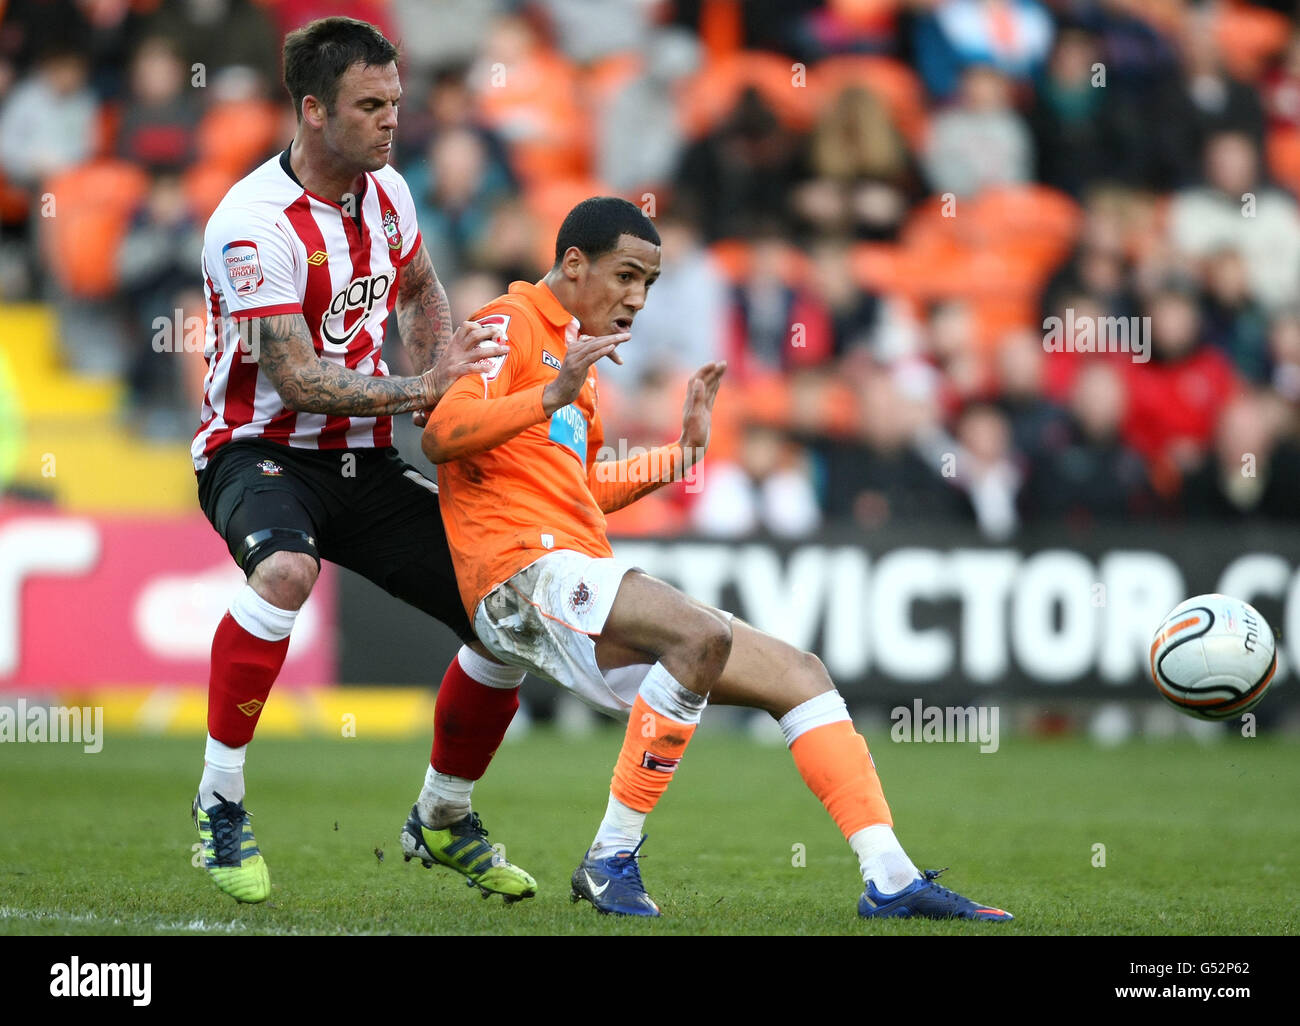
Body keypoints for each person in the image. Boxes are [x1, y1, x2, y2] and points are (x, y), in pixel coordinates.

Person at [419, 196, 1013, 921]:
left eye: (650, 284)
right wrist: (549, 394)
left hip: (569, 567)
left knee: (801, 675)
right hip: (516, 573)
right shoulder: (506, 326)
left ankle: (890, 877)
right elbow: (442, 432)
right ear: (573, 264)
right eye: (626, 275)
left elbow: (579, 494)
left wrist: (681, 454)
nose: (637, 298)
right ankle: (609, 860)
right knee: (701, 633)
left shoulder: (580, 362)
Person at [191, 16, 539, 906]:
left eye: (396, 102)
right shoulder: (251, 223)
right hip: (258, 452)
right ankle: (220, 805)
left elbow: (421, 291)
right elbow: (298, 380)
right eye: (370, 105)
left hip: (366, 461)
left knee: (506, 618)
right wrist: (424, 383)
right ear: (312, 110)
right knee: (285, 573)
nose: (393, 121)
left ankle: (443, 817)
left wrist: (445, 399)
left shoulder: (390, 197)